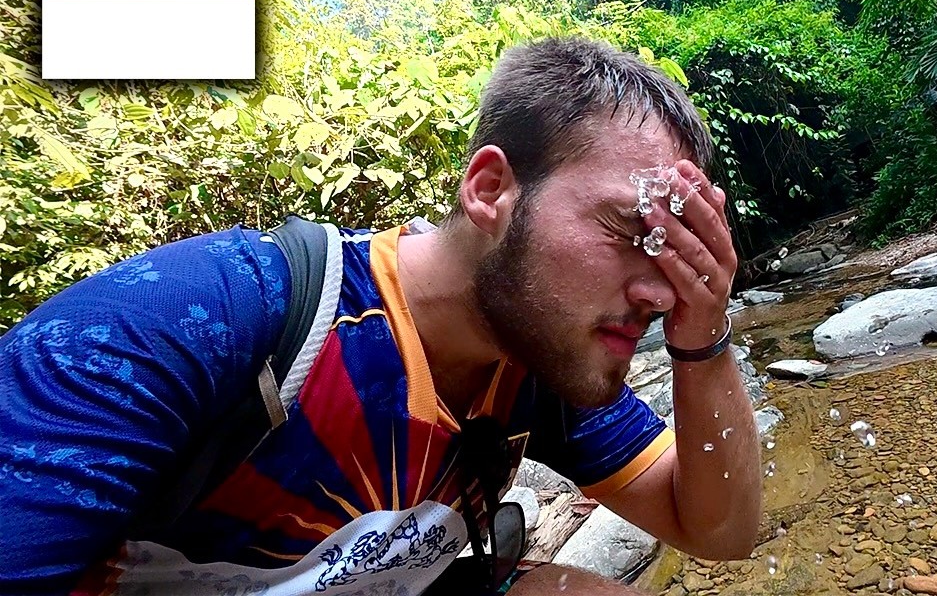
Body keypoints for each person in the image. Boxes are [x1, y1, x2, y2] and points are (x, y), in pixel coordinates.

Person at [0, 37, 763, 595]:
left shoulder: (539, 359)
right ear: (491, 189)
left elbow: (717, 532)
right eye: (633, 234)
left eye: (674, 251)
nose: (661, 293)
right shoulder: (202, 312)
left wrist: (705, 337)